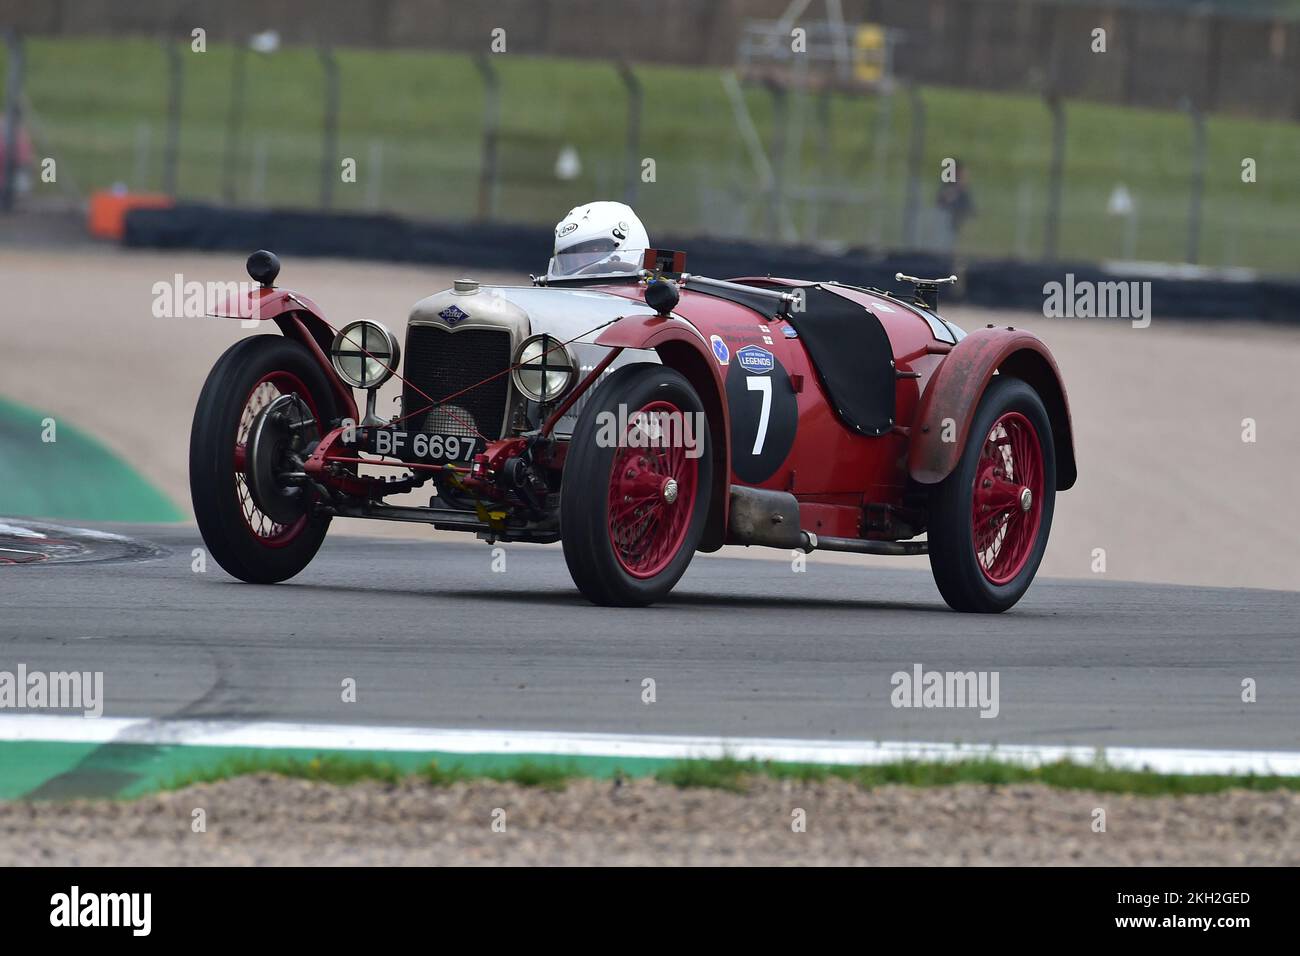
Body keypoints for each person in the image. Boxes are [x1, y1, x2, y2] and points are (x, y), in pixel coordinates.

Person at [546, 200, 649, 279]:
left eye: (592, 252)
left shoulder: (654, 301)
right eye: (571, 261)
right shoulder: (558, 303)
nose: (580, 264)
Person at [934, 159, 974, 251]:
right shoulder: (950, 188)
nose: (966, 178)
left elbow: (971, 211)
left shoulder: (964, 193)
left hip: (956, 228)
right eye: (963, 175)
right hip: (946, 228)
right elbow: (942, 203)